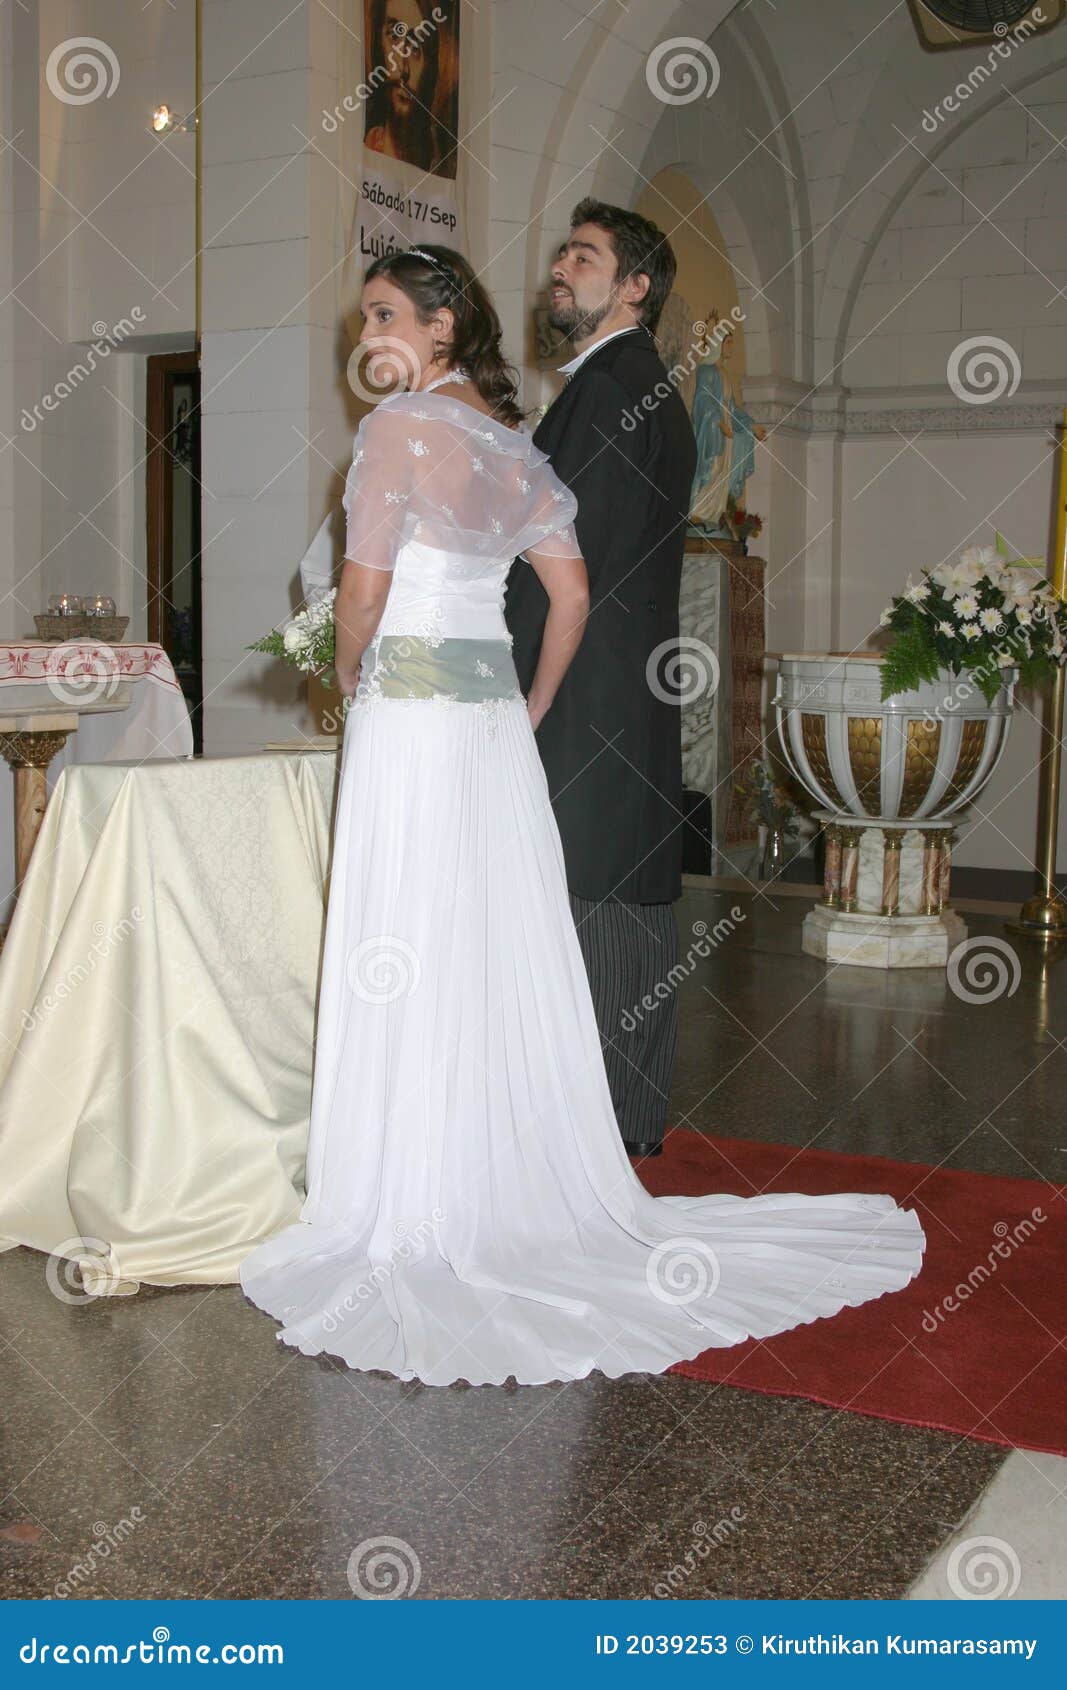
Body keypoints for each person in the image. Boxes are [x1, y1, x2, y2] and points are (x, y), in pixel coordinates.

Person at [239, 244, 926, 1388]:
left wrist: (349, 674)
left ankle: (403, 1191)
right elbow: (570, 594)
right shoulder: (515, 448)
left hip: (410, 723)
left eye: (386, 313)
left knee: (405, 937)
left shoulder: (397, 429)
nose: (369, 335)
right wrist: (532, 701)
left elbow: (361, 589)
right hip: (491, 733)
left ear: (443, 326)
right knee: (491, 945)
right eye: (365, 317)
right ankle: (495, 1174)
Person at [504, 199, 696, 1159]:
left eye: (584, 258)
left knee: (598, 901)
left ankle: (605, 1135)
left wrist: (513, 686)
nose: (560, 269)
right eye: (562, 254)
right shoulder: (624, 384)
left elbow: (568, 569)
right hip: (612, 691)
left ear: (635, 287)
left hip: (587, 696)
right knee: (605, 900)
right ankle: (612, 1128)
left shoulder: (615, 388)